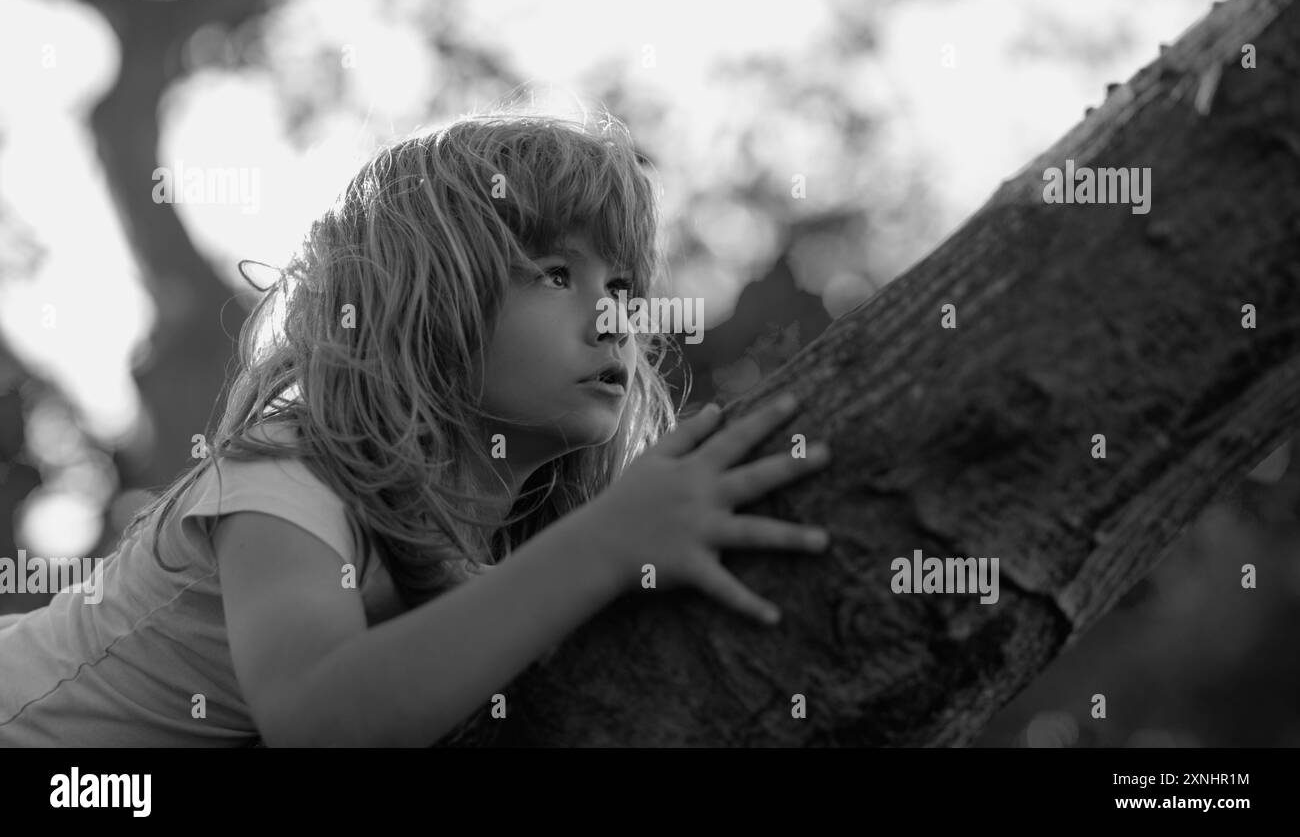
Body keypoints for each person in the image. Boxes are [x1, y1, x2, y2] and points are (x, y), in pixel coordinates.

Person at [0, 102, 832, 746]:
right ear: (431, 312)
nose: (612, 316)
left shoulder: (496, 540)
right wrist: (609, 544)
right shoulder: (292, 472)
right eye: (554, 273)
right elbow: (319, 718)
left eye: (622, 287)